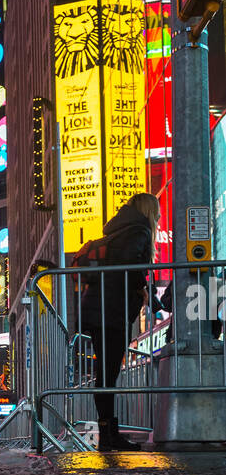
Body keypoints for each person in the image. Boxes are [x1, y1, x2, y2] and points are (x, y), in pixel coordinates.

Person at [77, 191, 160, 452]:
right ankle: (109, 436)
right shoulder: (138, 231)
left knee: (106, 375)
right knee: (107, 376)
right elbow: (129, 266)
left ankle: (109, 434)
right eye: (156, 211)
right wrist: (142, 288)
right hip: (110, 312)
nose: (158, 216)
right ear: (149, 210)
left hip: (102, 309)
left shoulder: (120, 230)